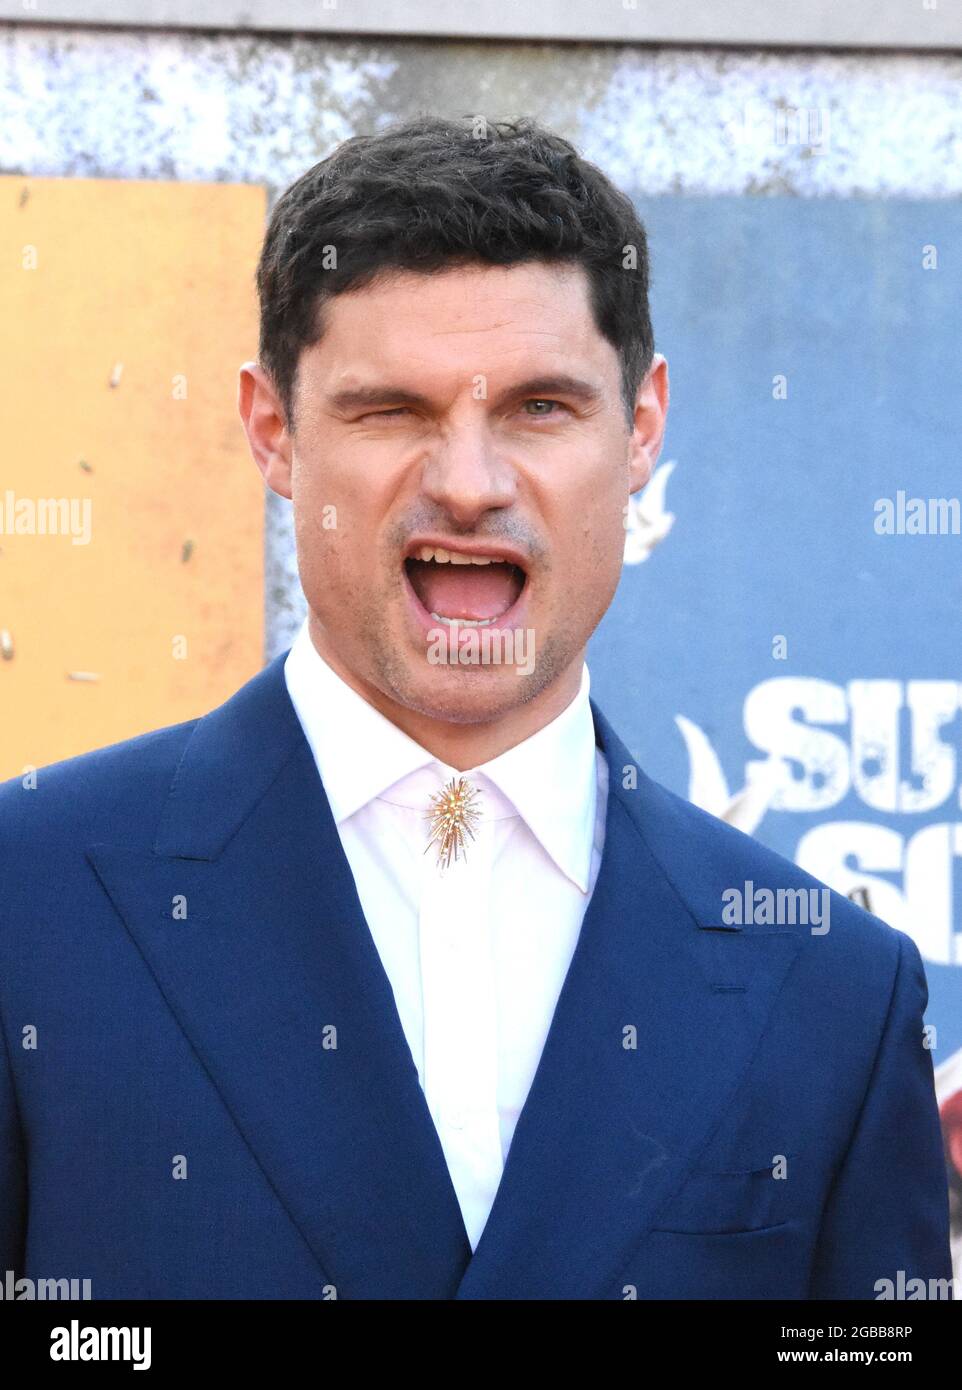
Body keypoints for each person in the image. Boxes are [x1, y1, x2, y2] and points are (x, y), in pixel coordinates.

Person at [0, 116, 951, 1300]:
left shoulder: (833, 991)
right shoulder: (26, 899)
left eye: (539, 408)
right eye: (390, 409)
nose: (466, 481)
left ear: (641, 426)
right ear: (272, 430)